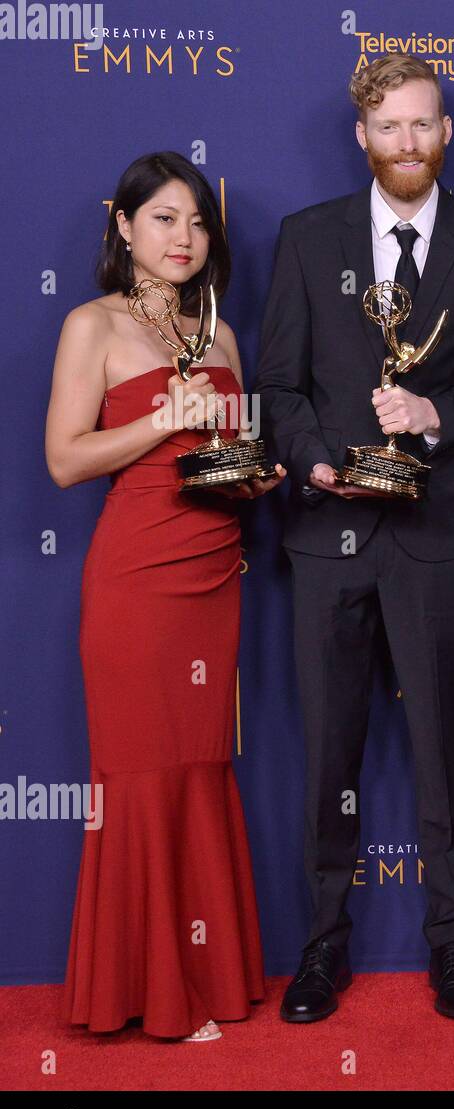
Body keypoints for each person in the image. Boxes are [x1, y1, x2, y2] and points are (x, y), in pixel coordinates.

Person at [256, 54, 454, 1022]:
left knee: (442, 748)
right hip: (327, 531)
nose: (407, 144)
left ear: (447, 133)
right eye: (389, 127)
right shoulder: (303, 238)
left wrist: (433, 412)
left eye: (423, 125)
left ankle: (453, 946)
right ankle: (322, 948)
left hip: (434, 534)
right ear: (359, 137)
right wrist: (315, 457)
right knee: (329, 751)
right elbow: (279, 387)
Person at [47, 151, 282, 1042]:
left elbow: (225, 458)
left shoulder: (220, 336)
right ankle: (145, 994)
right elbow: (65, 460)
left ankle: (205, 972)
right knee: (141, 776)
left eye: (195, 222)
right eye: (163, 220)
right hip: (137, 578)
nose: (183, 238)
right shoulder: (92, 326)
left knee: (198, 770)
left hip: (215, 570)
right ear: (124, 228)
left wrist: (256, 476)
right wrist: (159, 419)